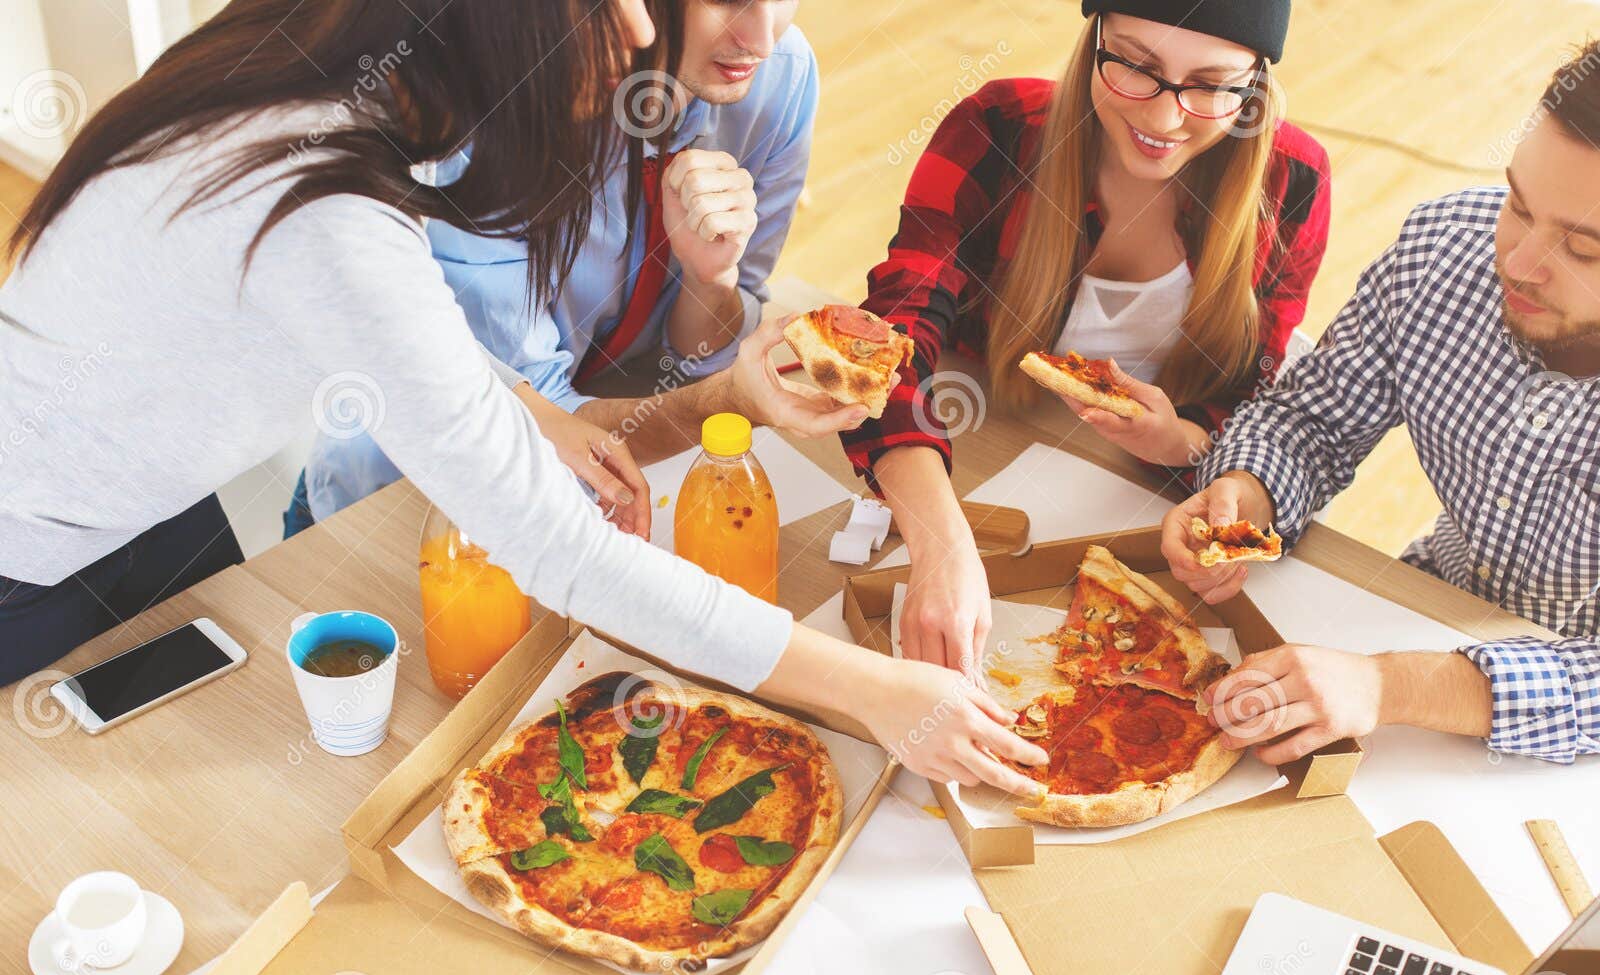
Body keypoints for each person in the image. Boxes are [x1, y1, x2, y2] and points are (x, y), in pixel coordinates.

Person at [0, 0, 1043, 796]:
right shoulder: (322, 202)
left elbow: (371, 318)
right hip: (27, 552)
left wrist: (525, 410)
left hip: (150, 492)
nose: (636, 28)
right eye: (602, 2)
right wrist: (871, 689)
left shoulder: (307, 80)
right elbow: (561, 552)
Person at [844, 0, 1329, 676]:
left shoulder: (1294, 179)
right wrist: (940, 539)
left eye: (1212, 85)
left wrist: (1181, 443)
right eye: (1135, 65)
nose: (1162, 119)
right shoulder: (999, 128)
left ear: (1255, 85)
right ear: (1095, 37)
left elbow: (1257, 412)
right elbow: (889, 337)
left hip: (1144, 513)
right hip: (974, 450)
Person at [1161, 42, 1600, 766]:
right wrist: (1247, 493)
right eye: (1519, 206)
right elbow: (1312, 418)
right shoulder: (1443, 251)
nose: (1517, 264)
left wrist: (1393, 685)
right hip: (1421, 611)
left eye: (1583, 251)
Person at [292, 0, 845, 530]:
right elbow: (537, 423)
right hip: (403, 498)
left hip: (609, 457)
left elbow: (702, 356)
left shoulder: (781, 77)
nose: (762, 39)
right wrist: (726, 405)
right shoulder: (498, 113)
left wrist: (711, 280)